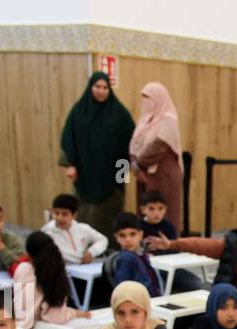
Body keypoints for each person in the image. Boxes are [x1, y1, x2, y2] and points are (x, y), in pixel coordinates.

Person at [59, 71, 134, 241]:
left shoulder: (120, 114)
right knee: (85, 212)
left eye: (105, 87)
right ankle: (83, 245)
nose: (101, 91)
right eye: (97, 86)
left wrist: (122, 177)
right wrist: (71, 165)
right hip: (85, 173)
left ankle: (110, 248)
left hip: (112, 175)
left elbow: (129, 144)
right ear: (90, 87)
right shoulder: (79, 111)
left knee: (112, 211)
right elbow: (68, 139)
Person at [129, 82, 183, 234]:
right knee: (146, 209)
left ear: (159, 98)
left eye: (149, 98)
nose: (146, 102)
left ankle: (167, 246)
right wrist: (134, 164)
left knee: (162, 211)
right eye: (144, 98)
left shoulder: (168, 119)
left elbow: (159, 146)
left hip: (163, 174)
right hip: (143, 171)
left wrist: (138, 164)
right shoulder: (145, 120)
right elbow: (134, 145)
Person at [108, 211, 163, 297]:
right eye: (122, 235)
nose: (128, 239)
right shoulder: (125, 259)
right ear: (116, 238)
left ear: (140, 235)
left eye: (132, 234)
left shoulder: (142, 253)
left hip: (151, 299)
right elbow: (123, 290)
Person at [43, 193, 107, 265]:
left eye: (64, 214)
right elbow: (63, 254)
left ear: (74, 215)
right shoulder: (47, 233)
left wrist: (92, 252)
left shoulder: (83, 228)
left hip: (83, 270)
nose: (59, 218)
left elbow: (103, 240)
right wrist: (82, 258)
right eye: (57, 213)